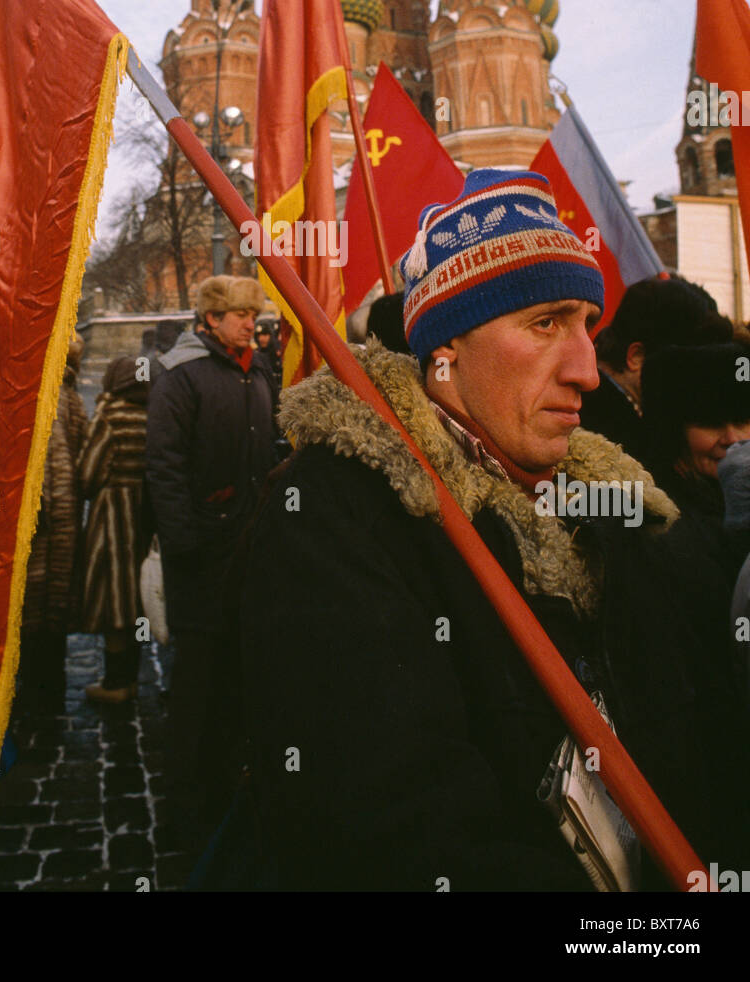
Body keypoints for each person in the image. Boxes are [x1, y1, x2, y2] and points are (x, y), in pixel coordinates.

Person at [240, 169, 750, 892]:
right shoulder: (334, 518)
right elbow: (394, 840)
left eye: (586, 326)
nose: (587, 371)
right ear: (447, 351)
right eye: (545, 323)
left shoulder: (619, 504)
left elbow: (708, 744)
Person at [146, 274, 276, 850]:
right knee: (196, 683)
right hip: (201, 555)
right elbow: (164, 468)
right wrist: (184, 544)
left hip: (249, 551)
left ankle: (227, 784)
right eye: (241, 315)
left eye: (254, 314)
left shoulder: (257, 370)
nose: (252, 323)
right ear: (212, 320)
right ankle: (185, 804)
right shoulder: (181, 376)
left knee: (235, 675)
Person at [580, 277, 731, 469]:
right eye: (683, 363)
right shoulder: (611, 433)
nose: (694, 380)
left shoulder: (626, 418)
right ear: (636, 357)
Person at [640, 341, 750, 583]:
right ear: (676, 432)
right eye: (711, 424)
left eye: (742, 421)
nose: (732, 439)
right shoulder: (662, 526)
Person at [78, 354, 151, 702]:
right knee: (137, 599)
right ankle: (132, 678)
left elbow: (87, 474)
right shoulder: (154, 415)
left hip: (112, 518)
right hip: (145, 515)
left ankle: (115, 683)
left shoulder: (110, 415)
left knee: (114, 602)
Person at [20, 336, 88, 706]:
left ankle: (43, 688)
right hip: (44, 518)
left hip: (55, 519)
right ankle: (42, 687)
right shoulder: (61, 396)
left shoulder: (66, 396)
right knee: (39, 603)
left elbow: (84, 451)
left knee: (45, 603)